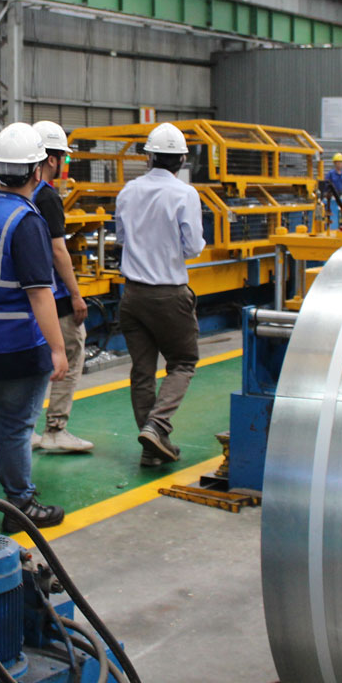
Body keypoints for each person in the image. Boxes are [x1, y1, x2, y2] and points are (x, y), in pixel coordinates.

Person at [0, 122, 68, 529]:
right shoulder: (27, 221)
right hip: (18, 344)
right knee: (19, 423)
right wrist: (58, 349)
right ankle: (20, 504)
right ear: (37, 171)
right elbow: (40, 293)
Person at [115, 122, 205, 467]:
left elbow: (122, 237)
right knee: (183, 362)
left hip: (133, 296)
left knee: (142, 370)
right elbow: (193, 247)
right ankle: (157, 425)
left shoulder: (128, 191)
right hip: (169, 294)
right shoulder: (185, 194)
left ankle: (151, 447)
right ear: (182, 159)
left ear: (148, 157)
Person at [30, 120, 93, 454]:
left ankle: (25, 427)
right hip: (53, 294)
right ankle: (56, 428)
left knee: (35, 360)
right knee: (70, 352)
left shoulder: (15, 192)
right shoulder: (48, 197)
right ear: (52, 159)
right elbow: (58, 250)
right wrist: (77, 294)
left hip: (27, 294)